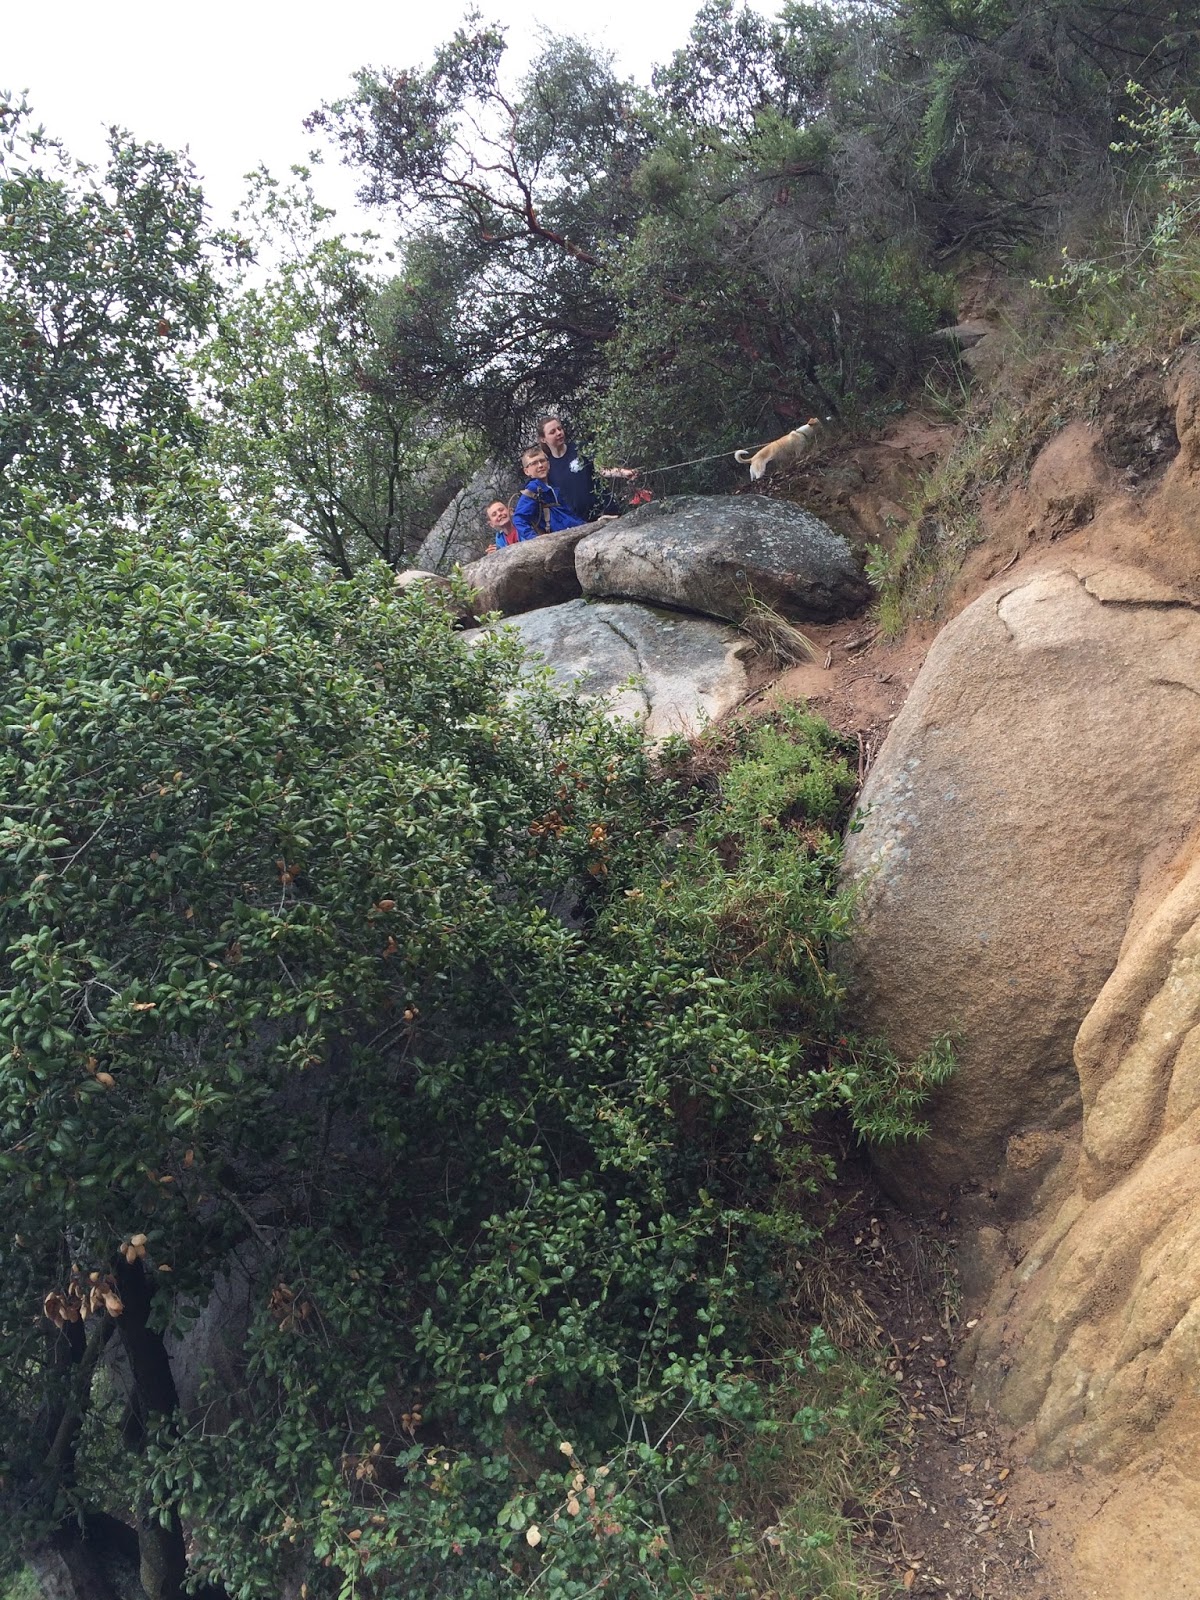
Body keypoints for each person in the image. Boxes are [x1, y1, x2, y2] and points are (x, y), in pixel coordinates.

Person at [537, 416, 638, 522]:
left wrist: (623, 473)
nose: (559, 433)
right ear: (543, 439)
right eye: (552, 432)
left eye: (559, 428)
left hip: (605, 513)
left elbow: (602, 470)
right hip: (579, 523)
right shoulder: (548, 466)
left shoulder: (581, 448)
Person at [511, 446, 587, 540]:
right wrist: (534, 538)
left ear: (548, 464)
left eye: (542, 461)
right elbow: (519, 519)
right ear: (526, 471)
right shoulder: (532, 491)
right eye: (534, 463)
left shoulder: (553, 487)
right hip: (559, 538)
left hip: (574, 531)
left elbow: (567, 513)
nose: (540, 465)